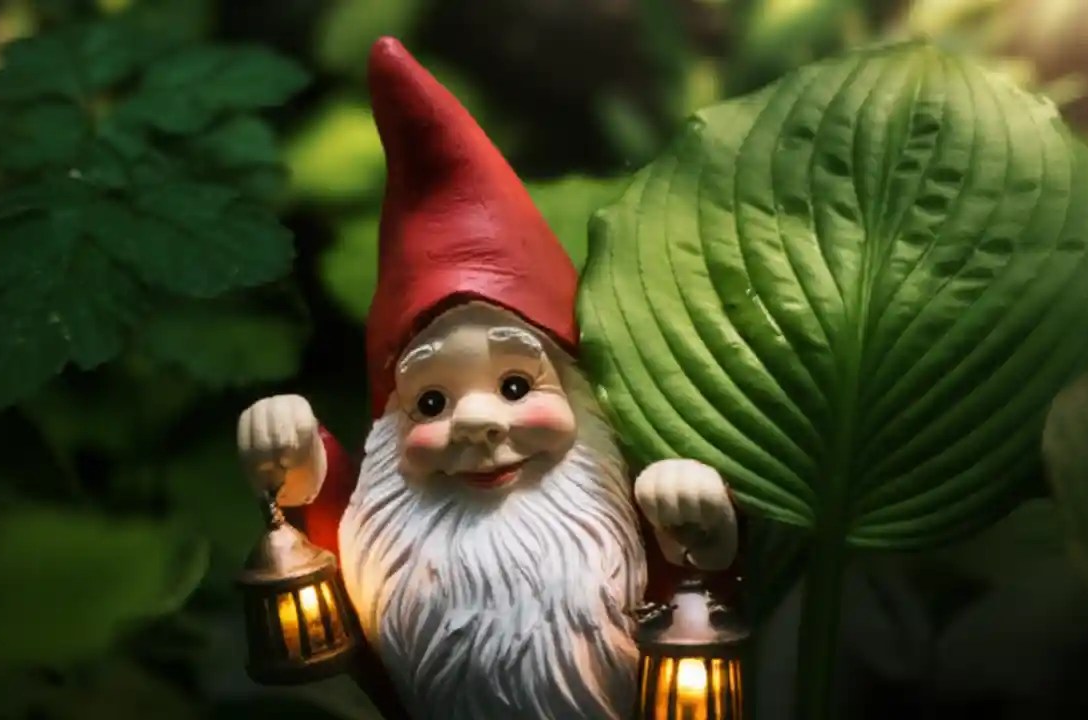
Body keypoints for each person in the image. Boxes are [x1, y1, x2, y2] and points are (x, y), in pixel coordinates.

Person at [236, 36, 741, 720]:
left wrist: (703, 537)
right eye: (433, 401)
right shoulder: (393, 535)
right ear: (392, 424)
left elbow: (695, 602)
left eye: (513, 386)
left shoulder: (609, 519)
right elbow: (333, 543)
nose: (475, 423)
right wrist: (296, 466)